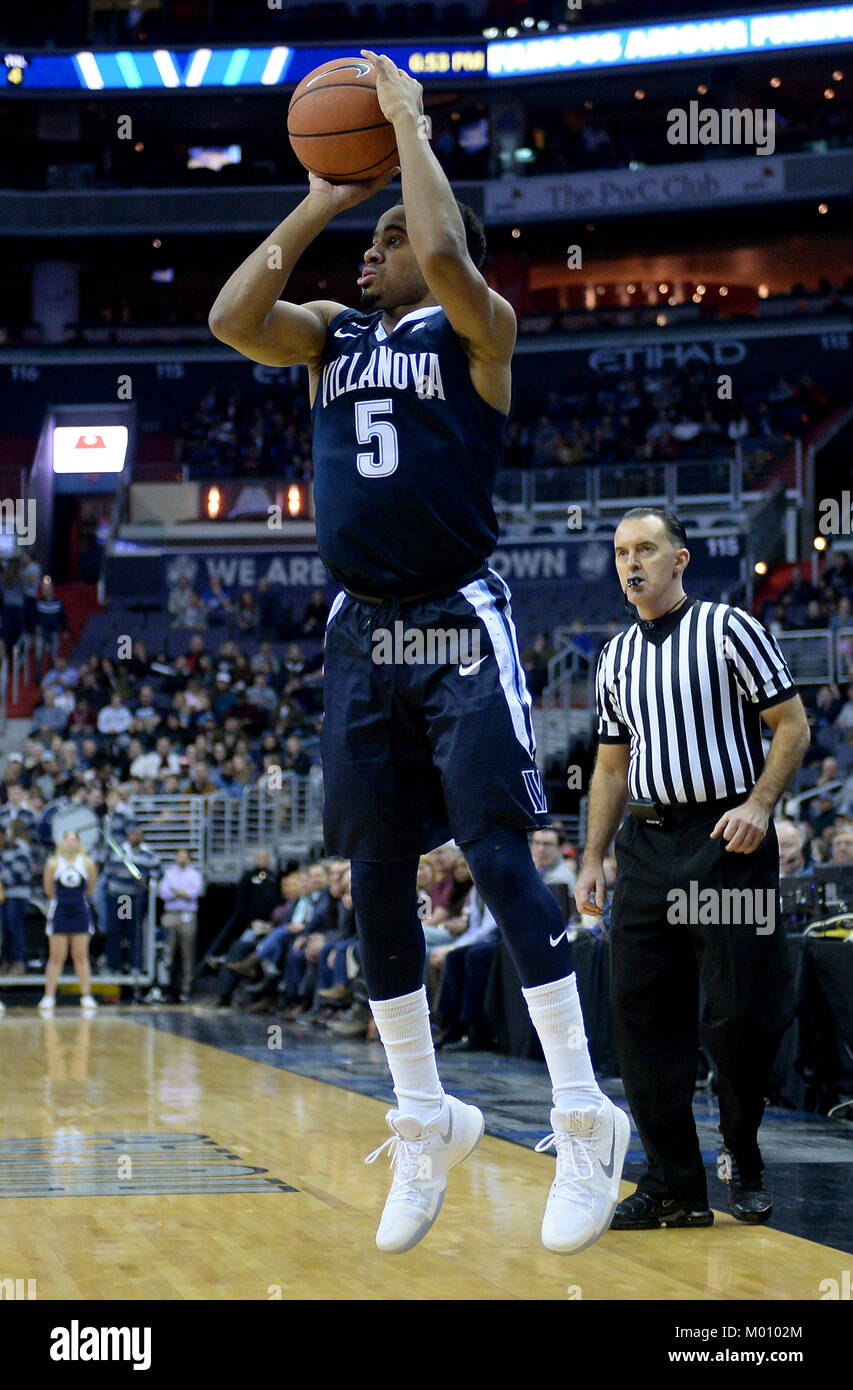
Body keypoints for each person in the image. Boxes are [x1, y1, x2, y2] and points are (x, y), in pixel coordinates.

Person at [210, 47, 627, 1257]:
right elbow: (231, 317)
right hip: (359, 630)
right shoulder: (331, 336)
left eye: (383, 236)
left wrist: (407, 130)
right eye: (372, 240)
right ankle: (421, 1107)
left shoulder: (476, 326)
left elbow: (444, 257)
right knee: (374, 871)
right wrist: (327, 194)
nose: (372, 254)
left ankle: (580, 1109)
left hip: (454, 616)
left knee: (496, 851)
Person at [576, 507, 810, 1231]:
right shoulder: (613, 656)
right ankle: (674, 1183)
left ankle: (739, 1149)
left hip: (725, 842)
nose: (630, 562)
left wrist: (760, 806)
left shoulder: (728, 628)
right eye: (619, 552)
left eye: (644, 548)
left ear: (679, 559)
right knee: (640, 1019)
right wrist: (591, 857)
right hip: (647, 848)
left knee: (736, 1013)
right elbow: (610, 769)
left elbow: (792, 725)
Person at [39, 829, 99, 1013]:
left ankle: (86, 995)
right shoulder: (53, 863)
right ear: (61, 842)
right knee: (57, 956)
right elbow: (49, 890)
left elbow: (90, 889)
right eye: (67, 839)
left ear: (79, 843)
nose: (70, 843)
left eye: (74, 840)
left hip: (80, 911)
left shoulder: (87, 863)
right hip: (60, 911)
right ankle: (49, 996)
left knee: (80, 956)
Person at [158, 848, 203, 1002]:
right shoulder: (169, 873)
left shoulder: (194, 874)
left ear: (189, 859)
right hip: (171, 914)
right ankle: (164, 987)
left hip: (188, 915)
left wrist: (176, 891)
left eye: (185, 857)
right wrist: (182, 892)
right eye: (179, 857)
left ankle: (186, 988)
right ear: (175, 858)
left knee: (187, 953)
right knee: (166, 951)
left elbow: (193, 893)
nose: (182, 859)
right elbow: (164, 893)